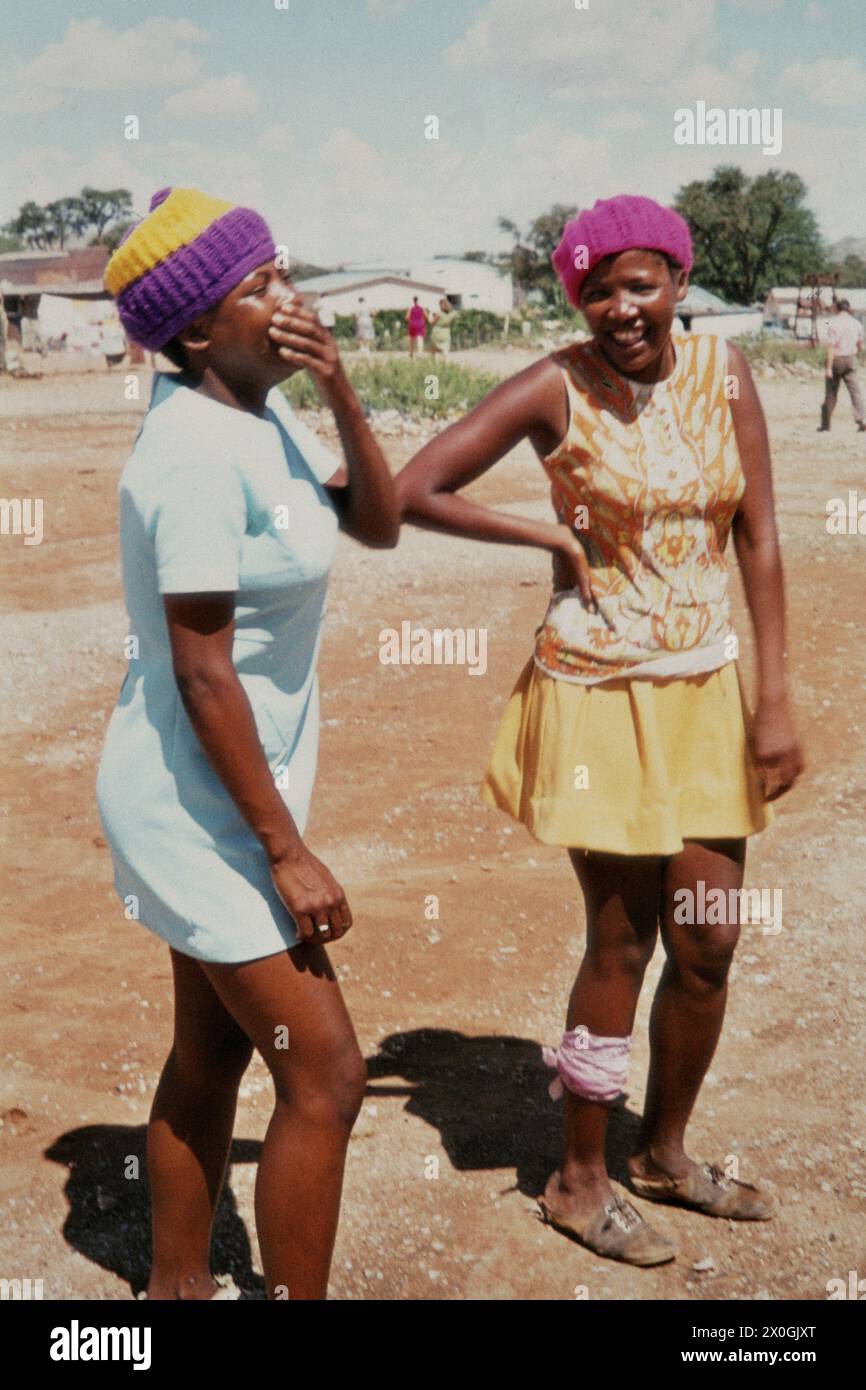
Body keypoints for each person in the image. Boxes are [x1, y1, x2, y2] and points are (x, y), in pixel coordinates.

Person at [396, 194, 804, 1267]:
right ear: (573, 296)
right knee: (621, 937)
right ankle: (578, 1177)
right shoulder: (552, 388)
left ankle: (662, 1152)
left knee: (708, 936)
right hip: (596, 694)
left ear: (677, 279)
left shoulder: (727, 376)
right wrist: (542, 531)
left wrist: (773, 694)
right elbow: (410, 489)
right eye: (595, 289)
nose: (620, 308)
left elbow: (756, 539)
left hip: (704, 691)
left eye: (640, 283)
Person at [96, 186, 399, 1300]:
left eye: (283, 271)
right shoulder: (189, 455)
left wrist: (338, 380)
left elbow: (374, 520)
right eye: (256, 286)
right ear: (191, 330)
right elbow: (201, 667)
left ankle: (177, 1290)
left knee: (214, 1050)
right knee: (325, 1072)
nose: (288, 298)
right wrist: (283, 849)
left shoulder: (257, 415)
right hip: (198, 806)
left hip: (224, 789)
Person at [819, 298, 865, 432]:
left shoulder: (833, 323)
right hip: (851, 358)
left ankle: (826, 424)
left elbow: (831, 347)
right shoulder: (856, 324)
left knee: (831, 393)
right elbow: (860, 345)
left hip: (836, 359)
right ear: (848, 309)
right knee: (855, 391)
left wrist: (828, 368)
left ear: (837, 309)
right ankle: (862, 419)